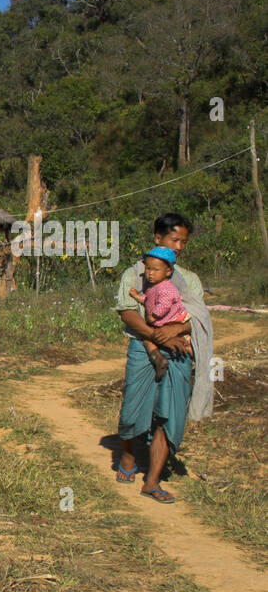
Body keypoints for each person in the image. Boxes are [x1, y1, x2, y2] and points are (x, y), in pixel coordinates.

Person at [113, 213, 214, 503]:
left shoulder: (189, 280)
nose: (180, 246)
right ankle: (129, 459)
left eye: (184, 241)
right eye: (174, 239)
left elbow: (197, 316)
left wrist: (174, 330)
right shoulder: (135, 273)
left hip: (178, 350)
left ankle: (153, 480)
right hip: (142, 347)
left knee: (170, 415)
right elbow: (127, 311)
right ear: (158, 238)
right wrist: (154, 335)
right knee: (133, 406)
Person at [127, 246, 193, 379]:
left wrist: (153, 316)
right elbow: (149, 299)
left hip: (171, 320)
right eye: (148, 268)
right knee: (147, 340)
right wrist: (137, 297)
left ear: (168, 271)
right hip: (162, 322)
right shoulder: (154, 286)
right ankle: (158, 358)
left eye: (156, 270)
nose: (150, 273)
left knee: (177, 340)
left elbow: (164, 305)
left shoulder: (166, 288)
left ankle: (190, 353)